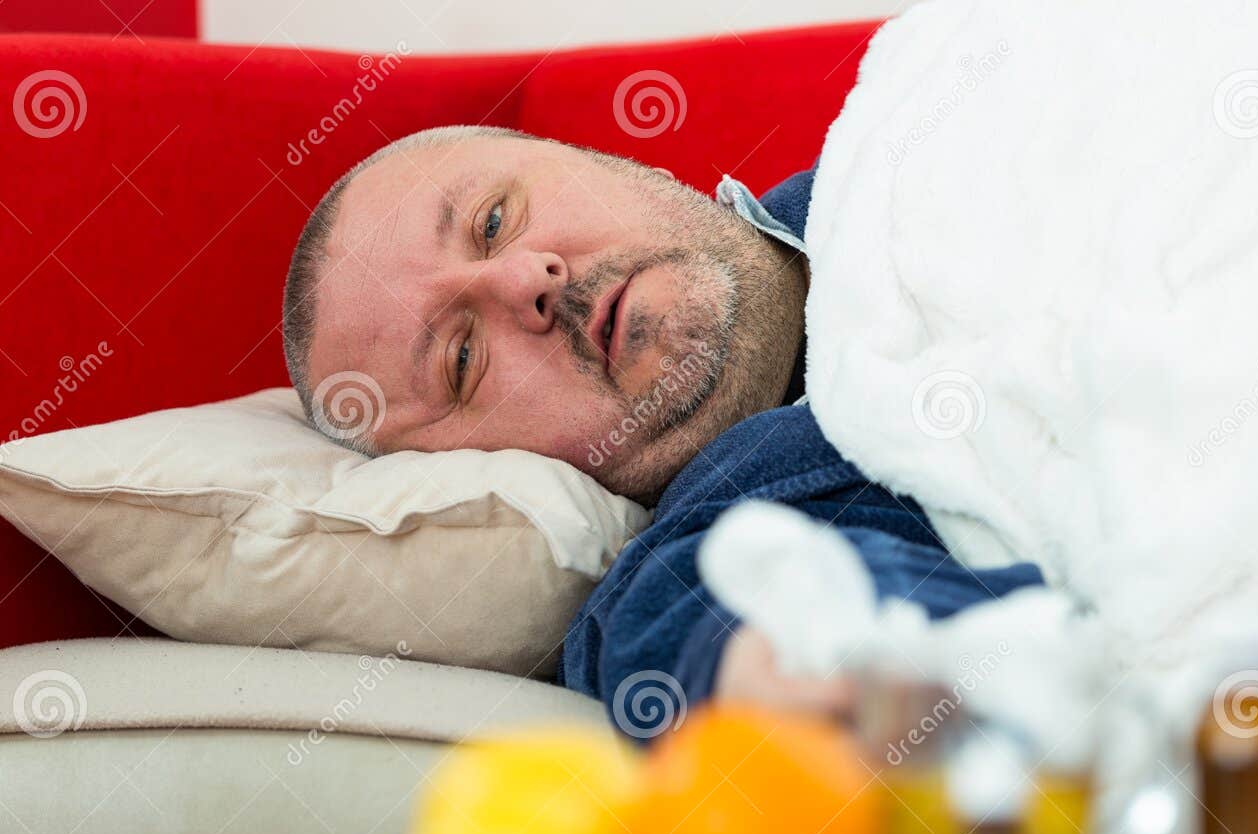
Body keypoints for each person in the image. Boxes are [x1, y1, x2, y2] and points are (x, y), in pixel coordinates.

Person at [282, 125, 1042, 725]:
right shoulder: (696, 576)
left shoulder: (943, 129)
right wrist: (781, 666)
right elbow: (699, 637)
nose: (525, 280)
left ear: (607, 162)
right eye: (462, 357)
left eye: (494, 220)